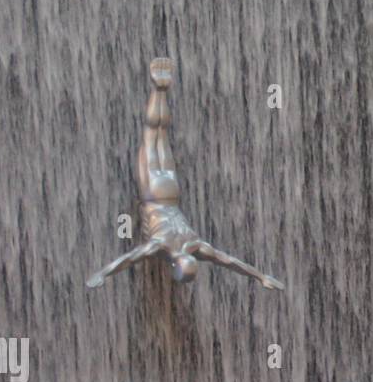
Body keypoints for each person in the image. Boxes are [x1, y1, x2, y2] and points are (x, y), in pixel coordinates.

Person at [86, 58, 285, 289]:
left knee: (161, 137)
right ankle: (158, 89)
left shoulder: (197, 245)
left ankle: (161, 90)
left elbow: (230, 261)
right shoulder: (162, 245)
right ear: (173, 265)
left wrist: (261, 276)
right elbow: (130, 259)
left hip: (172, 189)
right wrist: (103, 274)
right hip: (152, 193)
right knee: (152, 136)